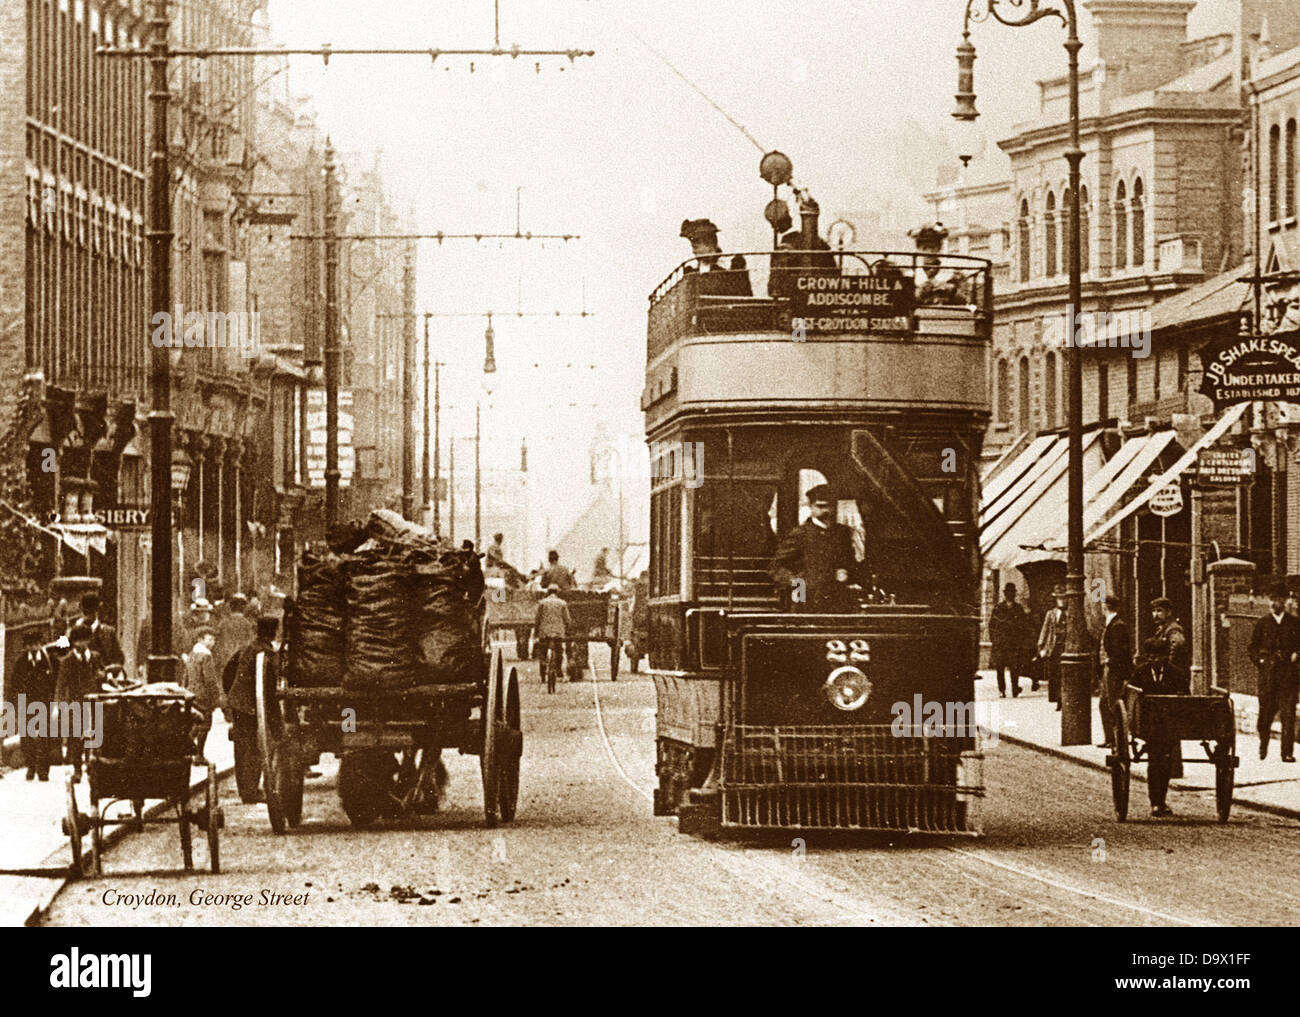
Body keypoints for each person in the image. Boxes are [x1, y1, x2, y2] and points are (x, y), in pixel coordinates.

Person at [770, 484, 858, 612]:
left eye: (829, 506)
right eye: (820, 506)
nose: (826, 510)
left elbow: (849, 561)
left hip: (836, 600)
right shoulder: (800, 533)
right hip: (804, 599)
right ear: (811, 507)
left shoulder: (842, 533)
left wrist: (844, 570)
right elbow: (775, 566)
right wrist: (796, 583)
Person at [1131, 635, 1190, 817]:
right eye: (1151, 656)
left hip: (1169, 725)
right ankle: (1156, 802)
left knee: (1164, 762)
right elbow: (1131, 698)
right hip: (1148, 726)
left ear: (1166, 656)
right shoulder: (1140, 673)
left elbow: (1185, 699)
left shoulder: (1176, 674)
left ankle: (1160, 801)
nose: (1154, 660)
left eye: (1158, 656)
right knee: (1156, 761)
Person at [222, 615, 278, 803]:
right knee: (255, 748)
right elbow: (270, 692)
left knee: (241, 747)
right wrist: (276, 724)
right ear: (273, 633)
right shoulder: (267, 655)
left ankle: (244, 790)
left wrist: (232, 696)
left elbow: (227, 672)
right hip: (252, 707)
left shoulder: (246, 649)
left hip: (239, 704)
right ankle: (251, 791)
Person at [1247, 581, 1300, 762]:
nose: (1273, 603)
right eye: (1271, 600)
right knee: (1265, 717)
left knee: (1288, 716)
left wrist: (1296, 655)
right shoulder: (1262, 623)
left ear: (1284, 601)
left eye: (1276, 600)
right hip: (1268, 678)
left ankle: (1287, 753)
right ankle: (1263, 745)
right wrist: (1261, 662)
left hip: (1288, 678)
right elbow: (1252, 648)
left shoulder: (1294, 623)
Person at [55, 624, 103, 784]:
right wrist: (60, 704)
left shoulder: (95, 657)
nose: (81, 644)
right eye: (78, 641)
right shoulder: (67, 661)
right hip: (75, 703)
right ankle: (77, 769)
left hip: (94, 701)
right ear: (73, 642)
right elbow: (61, 684)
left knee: (93, 735)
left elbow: (103, 675)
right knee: (76, 737)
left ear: (89, 641)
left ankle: (91, 765)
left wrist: (103, 675)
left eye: (85, 640)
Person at [11, 627, 58, 780]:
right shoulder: (21, 662)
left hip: (44, 703)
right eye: (29, 645)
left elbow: (56, 683)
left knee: (45, 737)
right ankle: (31, 767)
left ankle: (43, 770)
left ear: (40, 644)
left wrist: (54, 701)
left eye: (35, 644)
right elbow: (13, 685)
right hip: (25, 704)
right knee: (27, 738)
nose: (32, 647)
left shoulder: (50, 661)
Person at [1095, 595, 1133, 747]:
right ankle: (1111, 739)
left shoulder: (1117, 625)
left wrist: (1109, 662)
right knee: (1105, 703)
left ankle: (1116, 739)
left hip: (1114, 671)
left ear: (1105, 607)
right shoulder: (1112, 623)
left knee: (1112, 704)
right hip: (1109, 669)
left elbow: (1119, 652)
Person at [680, 218, 752, 297]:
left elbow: (744, 296)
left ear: (711, 244)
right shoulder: (691, 273)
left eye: (696, 247)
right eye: (693, 247)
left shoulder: (734, 266)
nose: (694, 252)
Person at [183, 627, 220, 758]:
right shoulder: (206, 656)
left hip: (191, 692)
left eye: (213, 639)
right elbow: (210, 679)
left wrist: (185, 690)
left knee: (194, 723)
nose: (212, 643)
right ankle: (199, 755)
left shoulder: (192, 654)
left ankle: (186, 749)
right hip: (204, 695)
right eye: (209, 639)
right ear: (200, 640)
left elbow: (186, 675)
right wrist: (216, 697)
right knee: (205, 725)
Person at [988, 583, 1029, 698]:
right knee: (1000, 667)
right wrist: (995, 640)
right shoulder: (998, 608)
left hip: (1014, 643)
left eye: (1012, 593)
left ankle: (1015, 688)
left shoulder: (1018, 608)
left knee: (1014, 667)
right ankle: (1002, 690)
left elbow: (1024, 626)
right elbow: (992, 625)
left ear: (1014, 594)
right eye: (1008, 593)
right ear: (1005, 594)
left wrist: (1020, 639)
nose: (1010, 595)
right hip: (1000, 643)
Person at [72, 593, 123, 669]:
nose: (88, 616)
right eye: (86, 612)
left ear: (97, 611)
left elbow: (119, 659)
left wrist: (113, 668)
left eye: (91, 612)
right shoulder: (73, 631)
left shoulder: (108, 632)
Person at [534, 585, 572, 688]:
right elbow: (567, 619)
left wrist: (536, 631)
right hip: (558, 633)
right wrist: (568, 628)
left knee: (542, 651)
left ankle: (543, 666)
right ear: (557, 592)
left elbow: (537, 619)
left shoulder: (542, 603)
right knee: (559, 651)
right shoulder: (562, 603)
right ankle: (558, 669)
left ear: (548, 592)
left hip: (544, 632)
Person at [215, 593, 256, 682]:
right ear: (244, 608)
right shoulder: (247, 624)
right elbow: (250, 643)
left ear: (230, 607)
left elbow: (217, 644)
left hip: (225, 660)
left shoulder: (223, 623)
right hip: (240, 660)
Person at [1037, 586, 1066, 710]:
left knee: (1064, 675)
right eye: (1058, 598)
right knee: (1054, 675)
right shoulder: (1051, 613)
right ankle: (1057, 699)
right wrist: (1041, 646)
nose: (1061, 600)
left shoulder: (1070, 613)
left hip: (1065, 647)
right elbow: (1045, 630)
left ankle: (1063, 699)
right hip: (1054, 648)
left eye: (1063, 598)